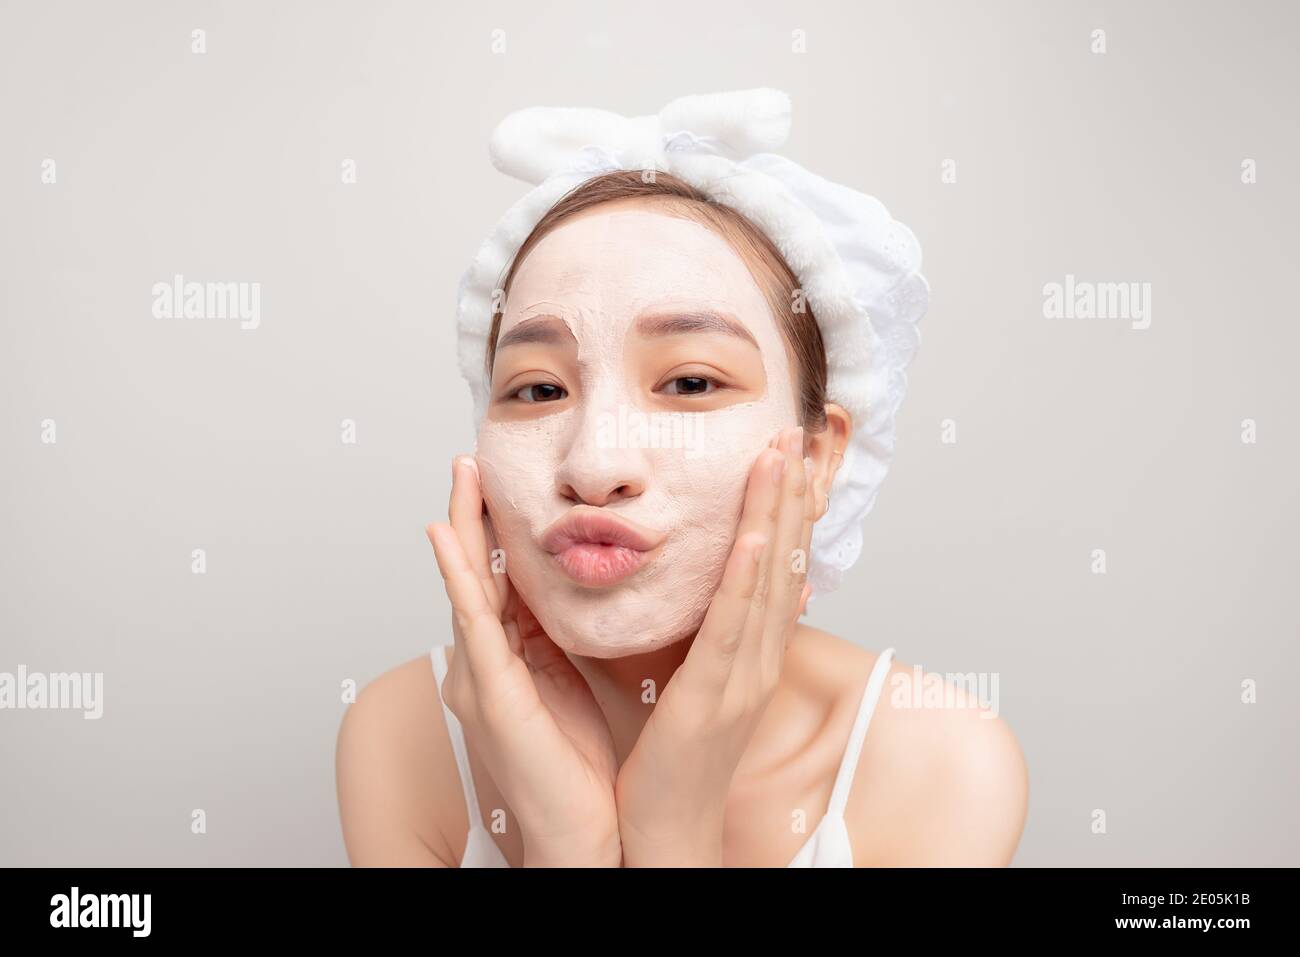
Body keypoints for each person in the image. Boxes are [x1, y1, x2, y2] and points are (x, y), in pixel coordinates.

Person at [336, 89, 1028, 867]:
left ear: (819, 453)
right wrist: (569, 845)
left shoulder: (937, 762)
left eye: (691, 383)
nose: (595, 467)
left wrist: (675, 831)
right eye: (538, 389)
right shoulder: (403, 737)